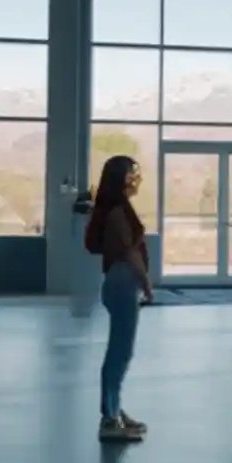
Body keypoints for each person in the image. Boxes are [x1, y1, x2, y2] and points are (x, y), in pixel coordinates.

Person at [83, 155, 153, 444]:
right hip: (123, 282)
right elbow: (130, 252)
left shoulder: (116, 208)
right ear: (120, 178)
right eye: (131, 174)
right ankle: (109, 418)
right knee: (119, 352)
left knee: (120, 351)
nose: (136, 179)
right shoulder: (117, 213)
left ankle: (114, 408)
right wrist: (146, 284)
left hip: (119, 282)